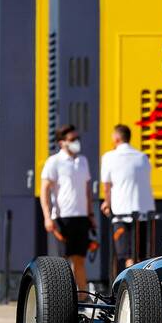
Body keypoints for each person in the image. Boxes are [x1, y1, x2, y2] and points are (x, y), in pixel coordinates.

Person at [40, 124, 94, 289]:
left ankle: (83, 299)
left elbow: (87, 190)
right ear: (62, 142)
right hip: (62, 218)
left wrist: (91, 215)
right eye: (72, 139)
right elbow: (45, 190)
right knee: (62, 262)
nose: (76, 142)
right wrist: (47, 217)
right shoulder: (54, 162)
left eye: (77, 138)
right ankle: (62, 300)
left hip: (82, 217)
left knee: (80, 260)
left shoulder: (83, 161)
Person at [99, 123, 155, 276]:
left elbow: (107, 186)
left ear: (116, 138)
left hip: (122, 212)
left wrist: (106, 203)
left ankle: (133, 288)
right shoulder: (142, 157)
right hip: (144, 212)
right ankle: (143, 284)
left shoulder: (109, 157)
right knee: (141, 254)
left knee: (127, 255)